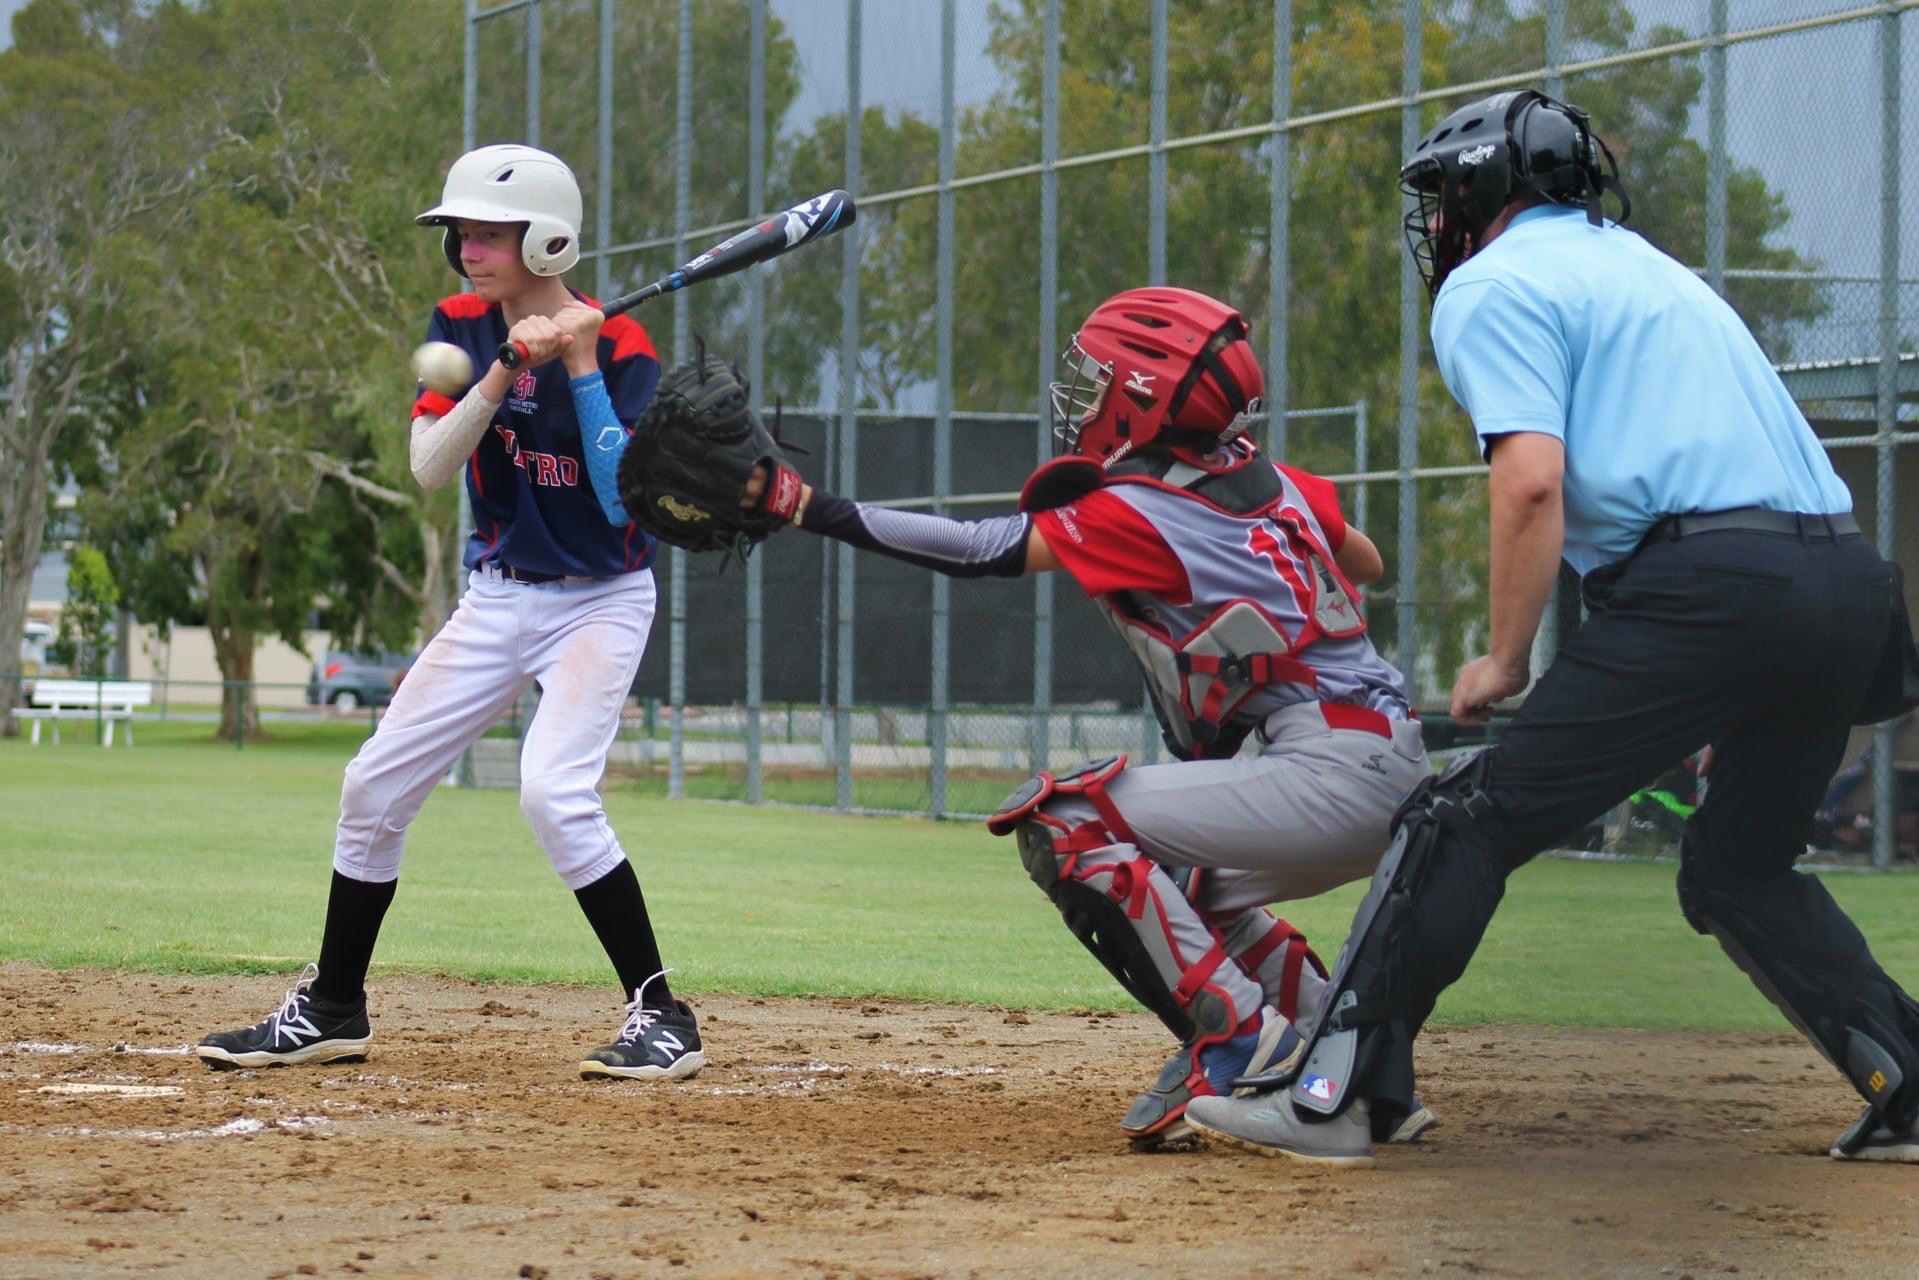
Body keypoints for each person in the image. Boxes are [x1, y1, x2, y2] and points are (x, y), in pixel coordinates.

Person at [1183, 89, 1917, 1167]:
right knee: (1738, 869)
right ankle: (1909, 1084)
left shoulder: (1489, 284)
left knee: (1460, 817)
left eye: (1443, 197)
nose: (1437, 222)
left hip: (1712, 587)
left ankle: (1334, 1094)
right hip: (1845, 581)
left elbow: (1530, 484)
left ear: (1488, 188)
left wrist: (1504, 655)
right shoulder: (1655, 271)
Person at [745, 286, 1435, 1147]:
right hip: (1391, 757)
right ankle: (1357, 1071)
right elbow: (1360, 560)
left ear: (1142, 398)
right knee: (1182, 887)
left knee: (1065, 822)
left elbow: (978, 550)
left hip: (1328, 771)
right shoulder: (1269, 477)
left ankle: (1241, 1044)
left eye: (1099, 380)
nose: (1082, 396)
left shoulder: (1141, 505)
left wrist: (800, 503)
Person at [197, 144, 706, 1083]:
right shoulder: (461, 327)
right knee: (371, 787)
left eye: (489, 235)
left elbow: (617, 503)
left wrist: (580, 363)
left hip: (598, 601)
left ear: (546, 240)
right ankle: (333, 1007)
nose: (468, 250)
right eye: (461, 234)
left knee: (552, 793)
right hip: (499, 594)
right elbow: (432, 467)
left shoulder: (624, 347)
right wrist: (505, 368)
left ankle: (663, 1015)